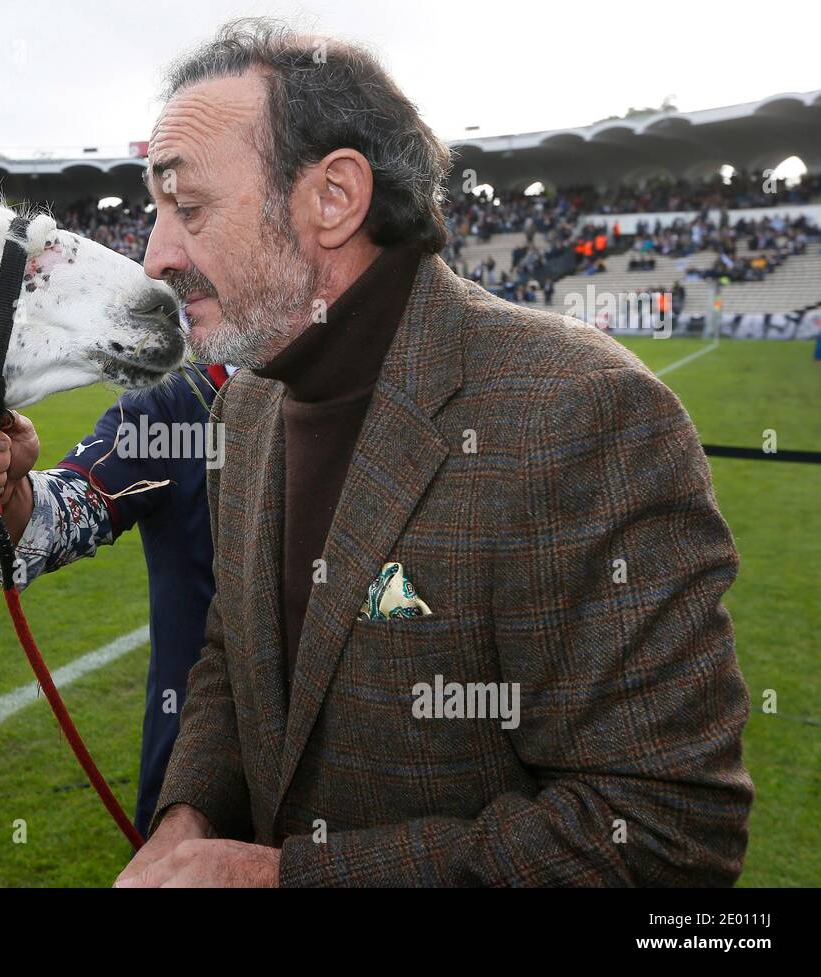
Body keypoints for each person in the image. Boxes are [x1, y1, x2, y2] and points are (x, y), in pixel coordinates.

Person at [113, 17, 752, 887]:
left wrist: (279, 878)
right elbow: (235, 654)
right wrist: (185, 818)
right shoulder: (246, 406)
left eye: (187, 209)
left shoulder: (583, 411)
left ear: (334, 197)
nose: (154, 255)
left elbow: (662, 829)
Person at [0, 361, 232, 838]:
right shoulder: (179, 400)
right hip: (197, 781)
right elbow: (61, 515)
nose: (161, 279)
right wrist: (5, 489)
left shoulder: (389, 386)